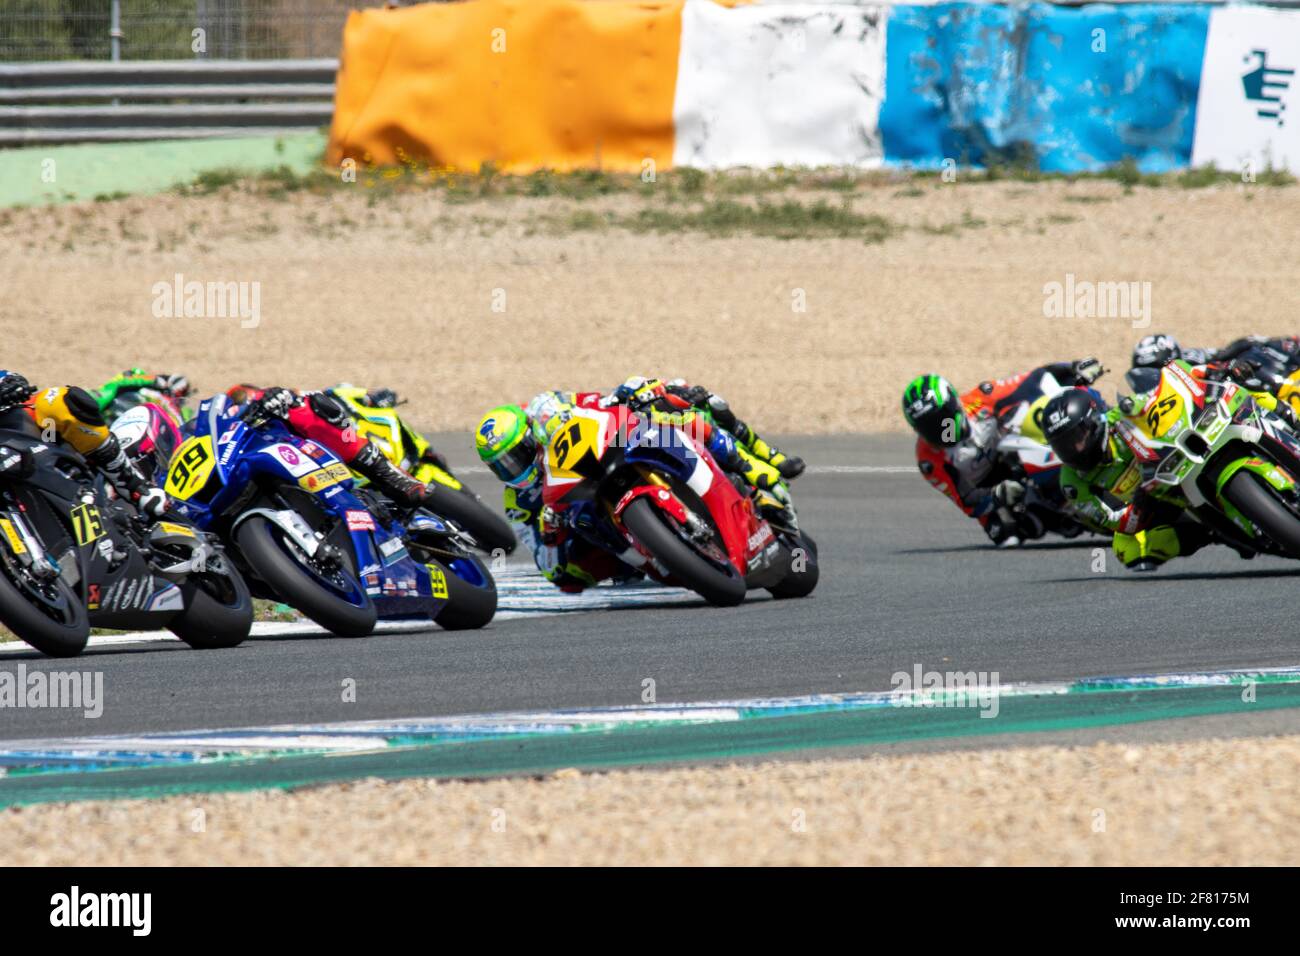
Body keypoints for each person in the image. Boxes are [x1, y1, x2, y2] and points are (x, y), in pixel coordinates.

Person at [1043, 363, 1300, 570]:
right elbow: (1116, 522)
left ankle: (1289, 419)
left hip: (1180, 460)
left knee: (1241, 386)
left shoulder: (1119, 420)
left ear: (1094, 423)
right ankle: (1213, 532)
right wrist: (1141, 503)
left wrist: (1215, 371)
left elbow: (1175, 386)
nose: (1073, 450)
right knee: (1127, 550)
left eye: (1077, 438)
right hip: (1160, 506)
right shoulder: (1072, 483)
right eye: (1063, 445)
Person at [901, 359, 1105, 546]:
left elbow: (1035, 378)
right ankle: (1064, 513)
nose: (938, 430)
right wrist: (995, 496)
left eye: (940, 419)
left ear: (954, 404)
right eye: (927, 427)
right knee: (1005, 534)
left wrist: (1072, 370)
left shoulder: (982, 399)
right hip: (993, 488)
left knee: (1041, 414)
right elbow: (967, 501)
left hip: (1014, 454)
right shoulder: (928, 459)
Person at [475, 396, 642, 592]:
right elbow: (548, 568)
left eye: (517, 455)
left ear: (531, 437)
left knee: (649, 406)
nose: (514, 467)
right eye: (502, 466)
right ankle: (630, 563)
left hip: (600, 457)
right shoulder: (518, 503)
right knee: (567, 576)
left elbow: (594, 401)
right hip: (589, 520)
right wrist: (550, 535)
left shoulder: (545, 407)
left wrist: (622, 397)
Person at [226, 384, 429, 507]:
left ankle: (385, 472)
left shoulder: (276, 400)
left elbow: (327, 397)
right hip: (250, 467)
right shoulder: (222, 427)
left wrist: (279, 398)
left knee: (310, 407)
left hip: (301, 451)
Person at [0, 371, 167, 518]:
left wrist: (159, 380)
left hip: (49, 442)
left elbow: (119, 382)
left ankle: (134, 486)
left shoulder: (107, 393)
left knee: (57, 402)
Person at [95, 367, 191, 420]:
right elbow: (119, 382)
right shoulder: (147, 379)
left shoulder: (181, 410)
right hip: (105, 407)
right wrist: (153, 380)